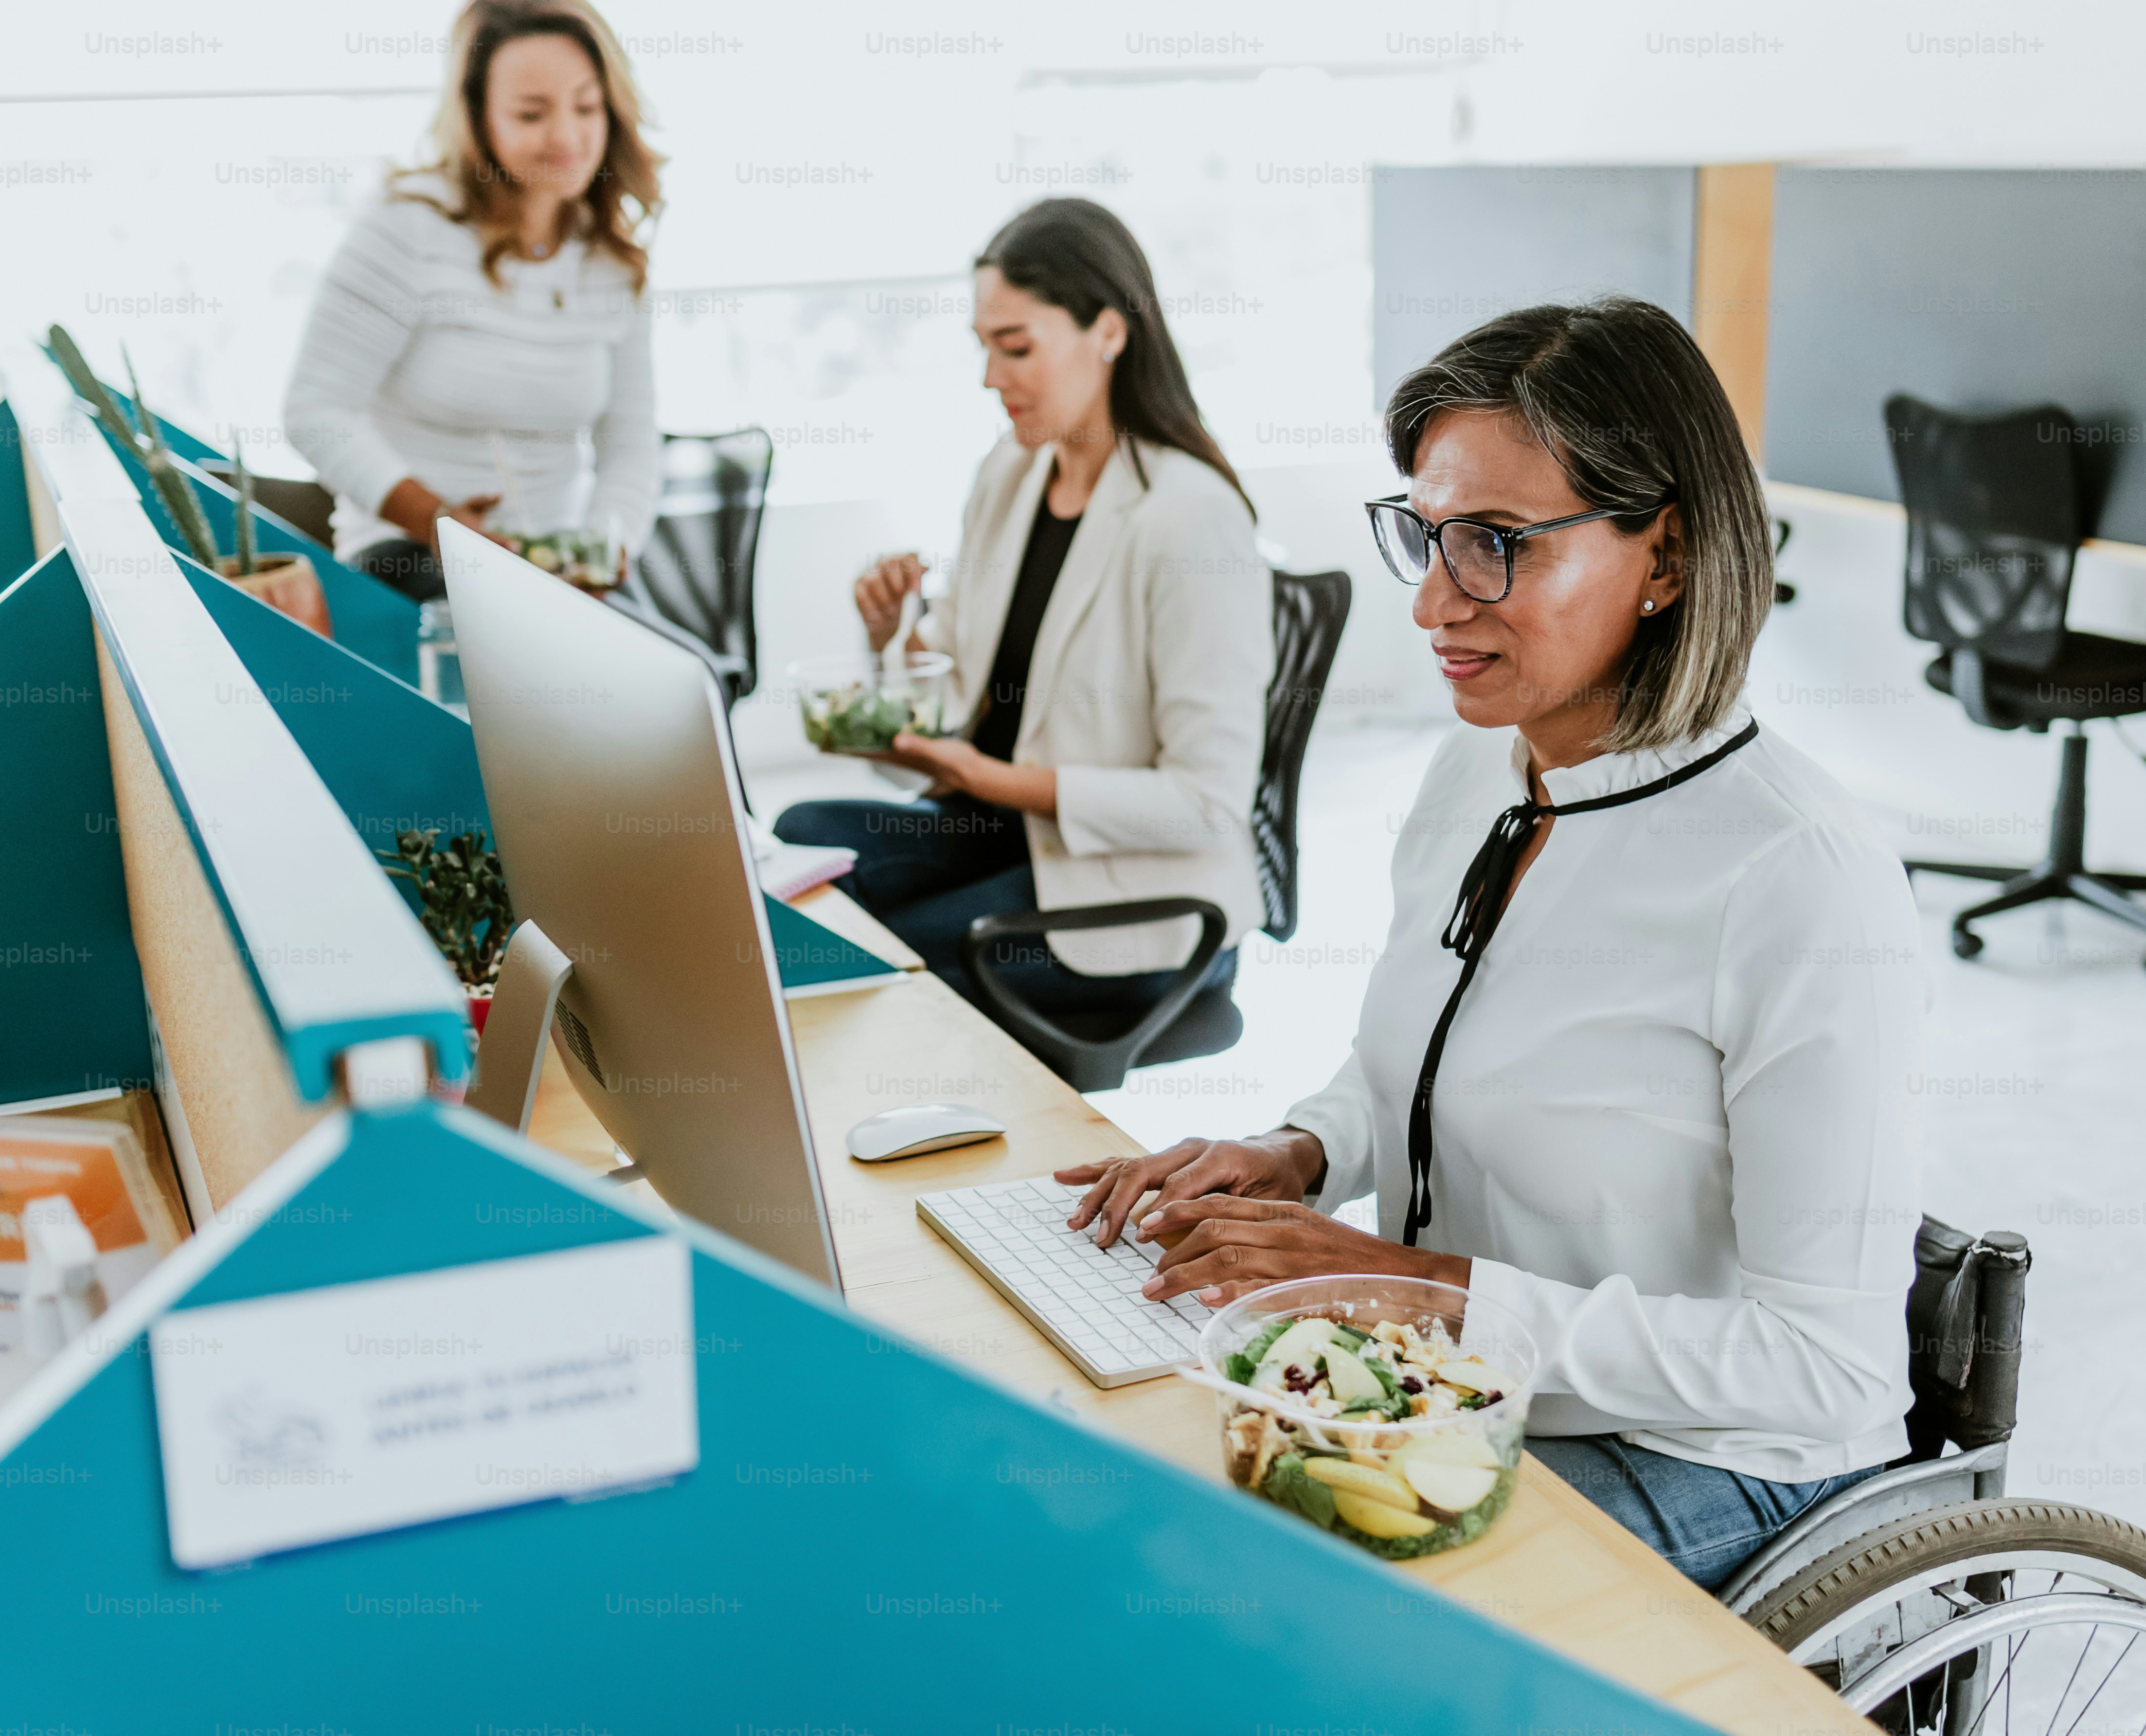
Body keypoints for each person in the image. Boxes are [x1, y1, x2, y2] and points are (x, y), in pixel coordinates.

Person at [1058, 298, 1927, 1590]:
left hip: (1720, 1456)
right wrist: (1299, 1153)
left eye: (1493, 546)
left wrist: (1419, 1287)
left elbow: (1824, 1369)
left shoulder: (1795, 876)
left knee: (1269, 1587)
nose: (1429, 604)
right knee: (1136, 1474)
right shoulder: (1475, 776)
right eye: (1424, 536)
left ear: (1669, 557)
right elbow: (1402, 1069)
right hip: (1468, 1384)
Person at [774, 199, 1272, 1015]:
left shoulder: (1188, 518)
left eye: (1014, 348)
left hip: (1130, 890)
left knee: (851, 954)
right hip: (996, 833)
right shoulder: (1009, 471)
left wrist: (996, 780)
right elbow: (957, 687)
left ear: (1107, 333)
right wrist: (890, 635)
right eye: (982, 347)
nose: (988, 376)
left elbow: (1206, 806)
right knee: (799, 839)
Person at [284, 0, 660, 602]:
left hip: (557, 568)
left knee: (680, 677)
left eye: (586, 107)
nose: (566, 136)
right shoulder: (406, 228)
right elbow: (316, 412)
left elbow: (632, 443)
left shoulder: (612, 259)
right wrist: (439, 521)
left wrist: (603, 551)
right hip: (409, 558)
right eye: (531, 114)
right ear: (479, 117)